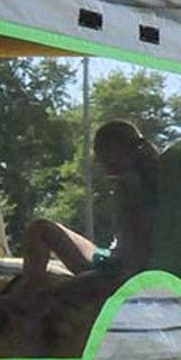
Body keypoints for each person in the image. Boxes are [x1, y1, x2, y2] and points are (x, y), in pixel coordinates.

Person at [19, 119, 159, 292]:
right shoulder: (142, 179)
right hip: (113, 258)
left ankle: (27, 294)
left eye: (100, 150)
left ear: (115, 149)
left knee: (40, 229)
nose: (97, 159)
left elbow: (140, 250)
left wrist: (97, 281)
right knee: (41, 226)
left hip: (118, 271)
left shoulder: (131, 186)